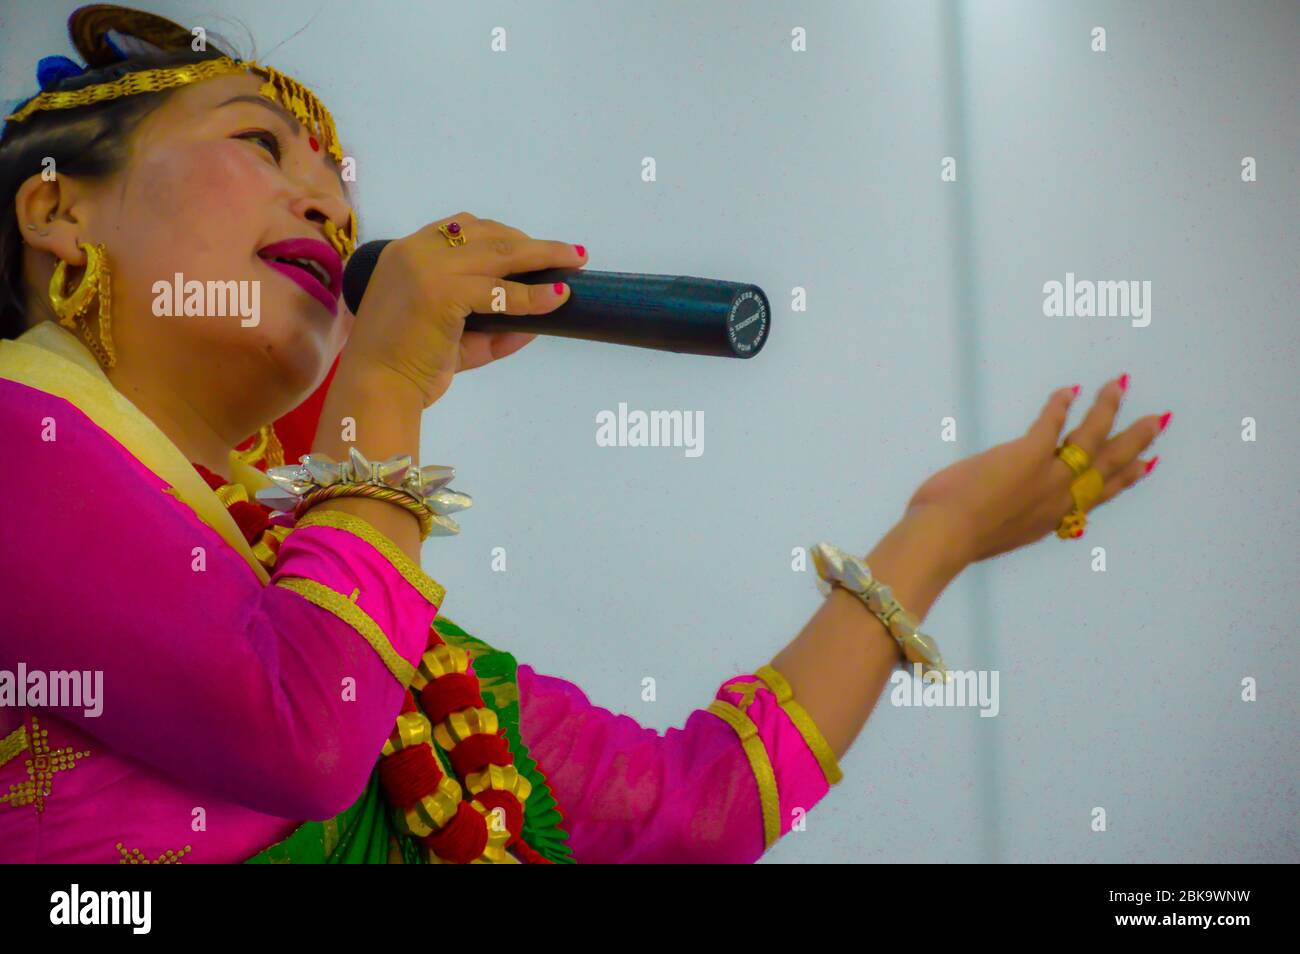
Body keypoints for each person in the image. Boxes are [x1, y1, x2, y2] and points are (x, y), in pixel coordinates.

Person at [0, 6, 1171, 864]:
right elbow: (300, 734)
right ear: (56, 206)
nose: (332, 204)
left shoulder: (347, 627)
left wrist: (942, 531)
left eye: (338, 185)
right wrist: (389, 380)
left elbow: (690, 811)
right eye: (262, 144)